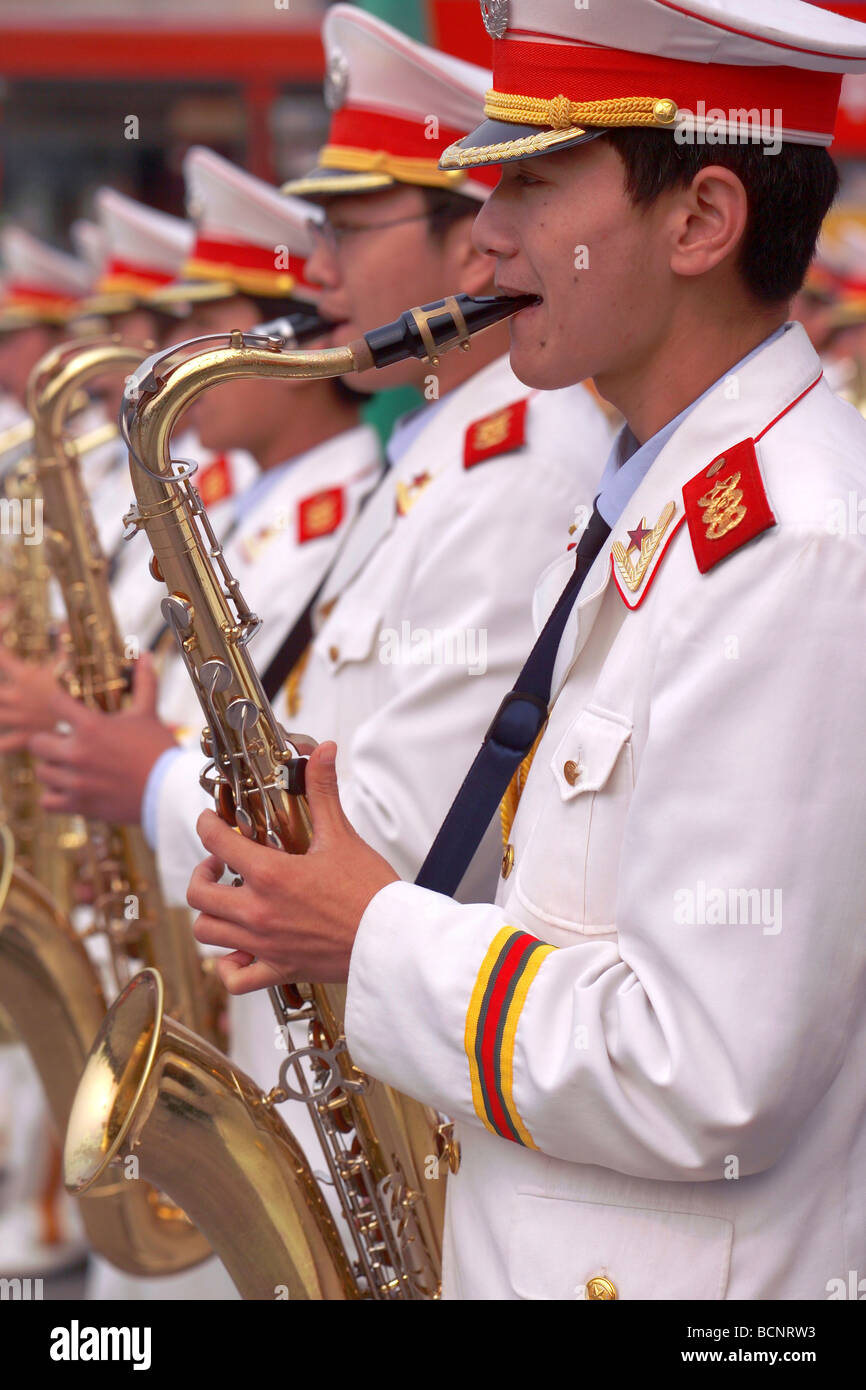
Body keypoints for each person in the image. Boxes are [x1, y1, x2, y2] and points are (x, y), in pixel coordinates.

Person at [187, 0, 866, 1301]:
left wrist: (369, 929)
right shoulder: (674, 490)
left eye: (533, 178)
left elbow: (701, 1070)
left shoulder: (792, 547)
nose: (482, 232)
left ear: (698, 222)